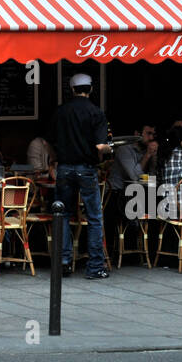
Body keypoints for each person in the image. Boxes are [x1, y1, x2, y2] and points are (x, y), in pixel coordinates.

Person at [53, 73, 112, 278]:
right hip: (86, 168)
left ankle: (64, 261)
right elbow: (100, 146)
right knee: (94, 217)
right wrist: (110, 148)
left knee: (63, 215)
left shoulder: (61, 112)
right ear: (91, 89)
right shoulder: (96, 112)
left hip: (64, 168)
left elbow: (52, 140)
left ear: (72, 89)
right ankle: (95, 267)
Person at [104, 134, 155, 258]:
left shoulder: (145, 150)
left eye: (153, 135)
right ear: (137, 134)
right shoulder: (124, 150)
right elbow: (134, 176)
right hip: (115, 194)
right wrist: (148, 155)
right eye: (148, 133)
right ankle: (125, 250)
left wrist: (153, 157)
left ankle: (149, 253)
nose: (151, 137)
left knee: (154, 205)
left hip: (135, 194)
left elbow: (153, 176)